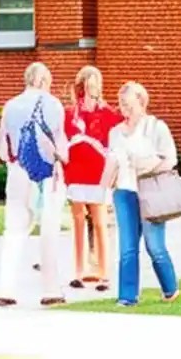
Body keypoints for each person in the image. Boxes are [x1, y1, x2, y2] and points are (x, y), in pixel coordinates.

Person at [0, 62, 69, 307]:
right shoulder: (53, 104)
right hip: (48, 176)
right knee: (48, 232)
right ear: (44, 81)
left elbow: (2, 150)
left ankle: (6, 289)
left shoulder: (10, 105)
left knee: (14, 231)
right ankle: (50, 289)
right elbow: (60, 146)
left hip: (18, 172)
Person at [101, 81, 180, 306]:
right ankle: (127, 297)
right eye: (121, 105)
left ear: (141, 102)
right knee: (127, 248)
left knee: (154, 245)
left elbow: (171, 160)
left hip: (150, 191)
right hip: (124, 192)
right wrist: (103, 190)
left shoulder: (156, 128)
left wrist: (147, 166)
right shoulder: (115, 132)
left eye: (129, 104)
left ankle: (170, 288)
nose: (124, 109)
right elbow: (112, 162)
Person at [63, 66, 121, 292]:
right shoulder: (70, 114)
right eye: (88, 82)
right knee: (78, 219)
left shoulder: (108, 113)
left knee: (99, 220)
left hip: (98, 173)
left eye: (95, 82)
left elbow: (117, 137)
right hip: (76, 171)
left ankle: (103, 271)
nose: (92, 86)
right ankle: (79, 270)